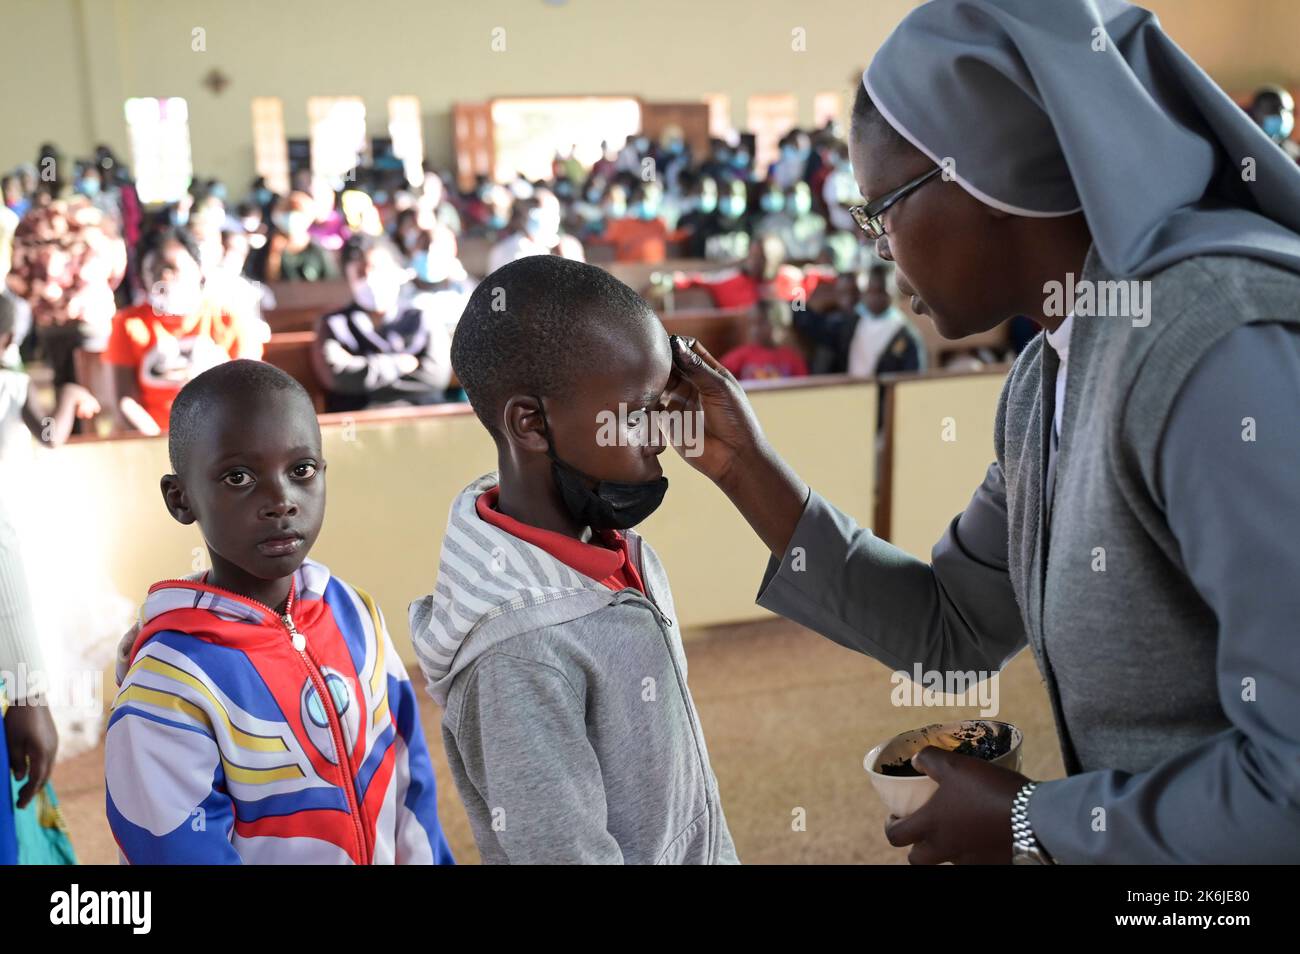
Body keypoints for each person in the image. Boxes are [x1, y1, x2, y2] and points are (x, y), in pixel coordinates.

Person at [662, 0, 1300, 864]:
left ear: (985, 176)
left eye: (880, 209)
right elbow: (955, 629)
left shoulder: (1209, 345)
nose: (881, 250)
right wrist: (745, 467)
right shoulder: (1048, 378)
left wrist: (1036, 824)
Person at [410, 255, 737, 864]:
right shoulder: (517, 655)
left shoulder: (619, 552)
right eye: (636, 412)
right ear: (531, 423)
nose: (660, 433)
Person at [107, 360, 455, 864]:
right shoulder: (168, 687)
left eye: (302, 470)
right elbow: (178, 850)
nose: (281, 500)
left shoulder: (355, 614)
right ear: (181, 499)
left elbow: (410, 782)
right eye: (239, 476)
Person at [105, 227, 261, 434]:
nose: (164, 278)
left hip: (223, 435)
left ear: (198, 270)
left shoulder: (228, 317)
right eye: (154, 271)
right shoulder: (128, 323)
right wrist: (159, 442)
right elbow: (124, 401)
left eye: (172, 268)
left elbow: (250, 388)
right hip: (156, 437)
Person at [312, 233, 451, 412]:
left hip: (422, 423)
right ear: (349, 279)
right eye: (361, 273)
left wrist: (365, 380)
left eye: (378, 269)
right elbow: (337, 377)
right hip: (358, 426)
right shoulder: (333, 325)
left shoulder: (423, 319)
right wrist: (398, 364)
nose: (370, 279)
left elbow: (436, 377)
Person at [719, 298, 808, 381]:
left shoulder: (792, 358)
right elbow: (718, 375)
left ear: (781, 325)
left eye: (762, 323)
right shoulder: (741, 355)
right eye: (753, 323)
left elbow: (803, 387)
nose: (755, 330)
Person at [265, 192, 337, 281]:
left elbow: (332, 282)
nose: (291, 217)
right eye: (287, 212)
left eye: (296, 212)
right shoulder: (266, 247)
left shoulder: (317, 250)